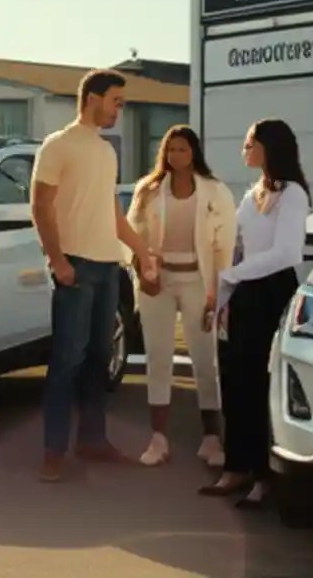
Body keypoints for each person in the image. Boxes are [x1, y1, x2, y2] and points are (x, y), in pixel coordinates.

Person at [30, 68, 159, 483]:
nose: (120, 109)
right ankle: (53, 452)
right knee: (66, 359)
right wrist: (57, 261)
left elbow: (112, 214)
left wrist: (141, 249)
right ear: (94, 98)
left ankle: (93, 440)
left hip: (108, 268)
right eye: (117, 101)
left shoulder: (106, 151)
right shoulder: (57, 146)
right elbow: (40, 207)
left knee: (99, 359)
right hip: (76, 266)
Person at [199, 118, 310, 509]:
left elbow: (286, 254)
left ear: (269, 146)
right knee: (234, 381)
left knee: (263, 387)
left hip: (272, 294)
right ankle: (236, 467)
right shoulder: (252, 194)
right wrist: (222, 289)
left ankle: (265, 476)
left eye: (250, 143)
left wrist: (232, 275)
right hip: (242, 293)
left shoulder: (292, 194)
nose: (244, 150)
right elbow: (237, 246)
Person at [125, 125, 236, 468]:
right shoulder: (149, 190)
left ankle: (211, 439)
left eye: (183, 149)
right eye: (170, 149)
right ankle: (158, 439)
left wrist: (215, 295)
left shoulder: (216, 192)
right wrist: (142, 273)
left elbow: (224, 248)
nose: (176, 155)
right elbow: (132, 235)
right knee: (158, 358)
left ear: (194, 153)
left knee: (205, 360)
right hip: (159, 283)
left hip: (198, 284)